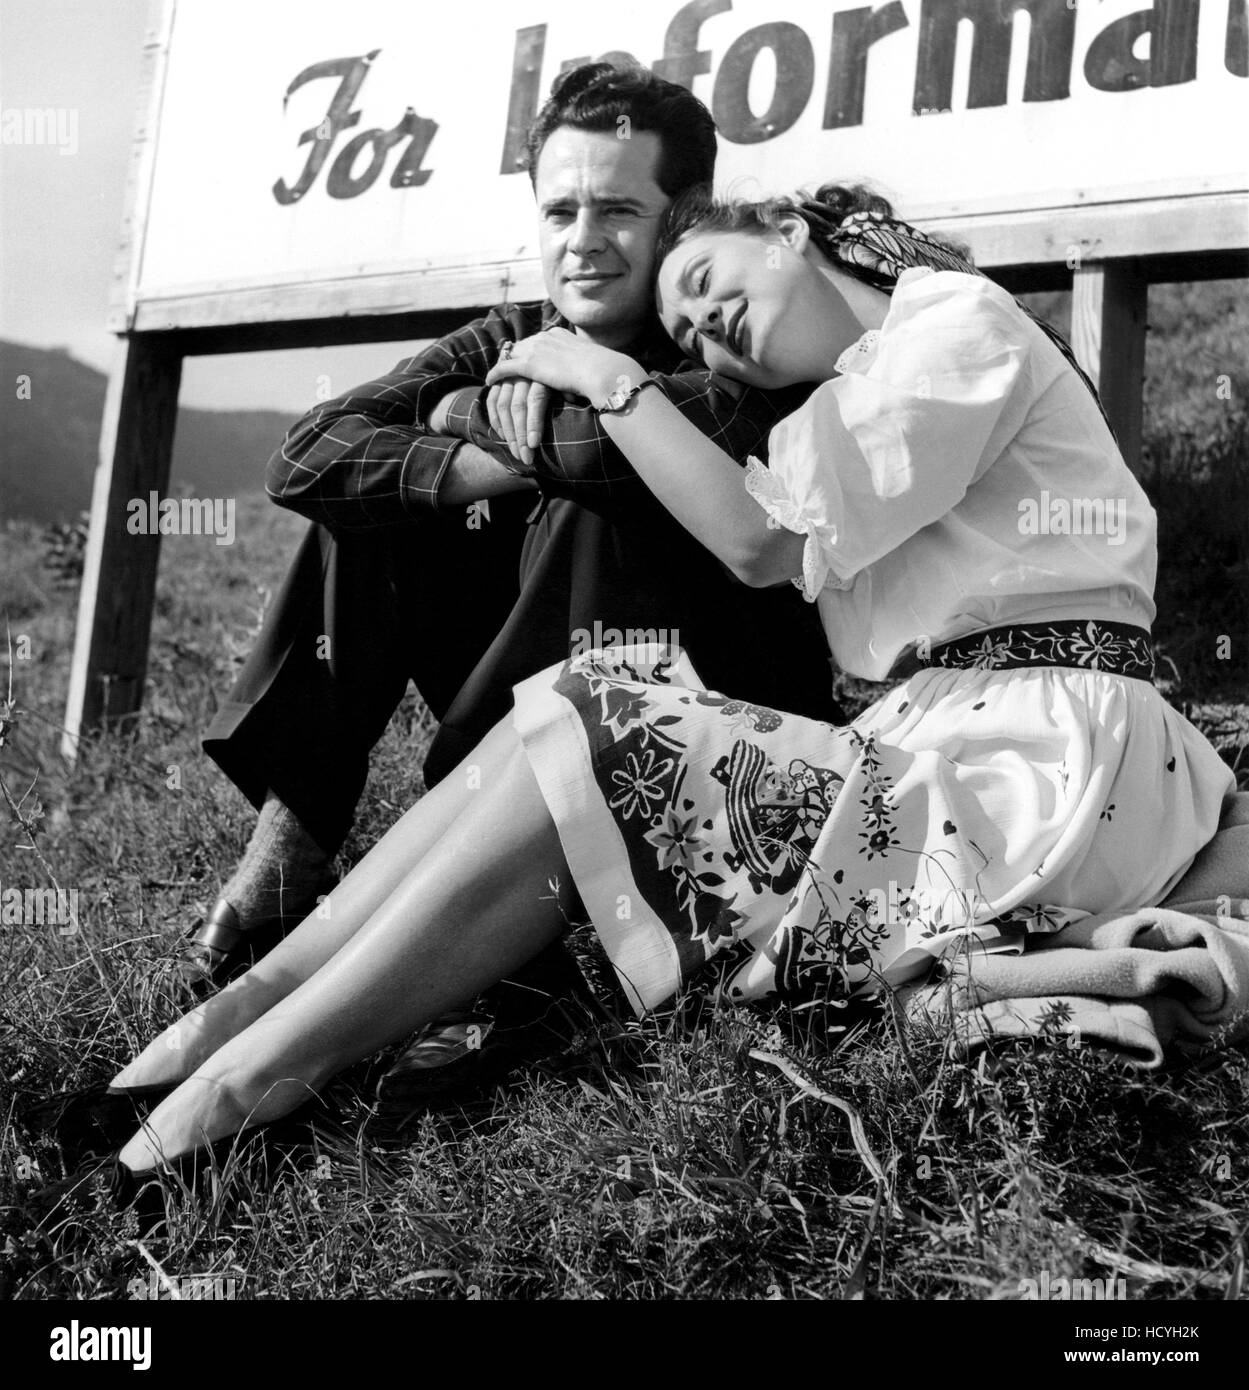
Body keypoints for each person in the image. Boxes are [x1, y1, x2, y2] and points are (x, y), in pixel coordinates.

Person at [103, 181, 1235, 1181]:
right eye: (692, 334)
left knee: (607, 710)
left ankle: (246, 1086)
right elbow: (748, 516)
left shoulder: (951, 321)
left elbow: (751, 540)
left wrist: (602, 373)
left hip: (1038, 767)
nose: (707, 330)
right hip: (942, 757)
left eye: (701, 282)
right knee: (567, 697)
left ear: (786, 227)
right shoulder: (835, 406)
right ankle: (220, 1032)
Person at [182, 63, 838, 1093]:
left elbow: (604, 453)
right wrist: (463, 436)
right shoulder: (516, 332)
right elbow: (305, 453)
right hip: (557, 686)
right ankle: (287, 856)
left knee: (596, 495)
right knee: (369, 510)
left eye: (618, 209)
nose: (583, 238)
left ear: (682, 221)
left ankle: (510, 956)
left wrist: (482, 410)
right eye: (561, 208)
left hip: (719, 705)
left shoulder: (726, 323)